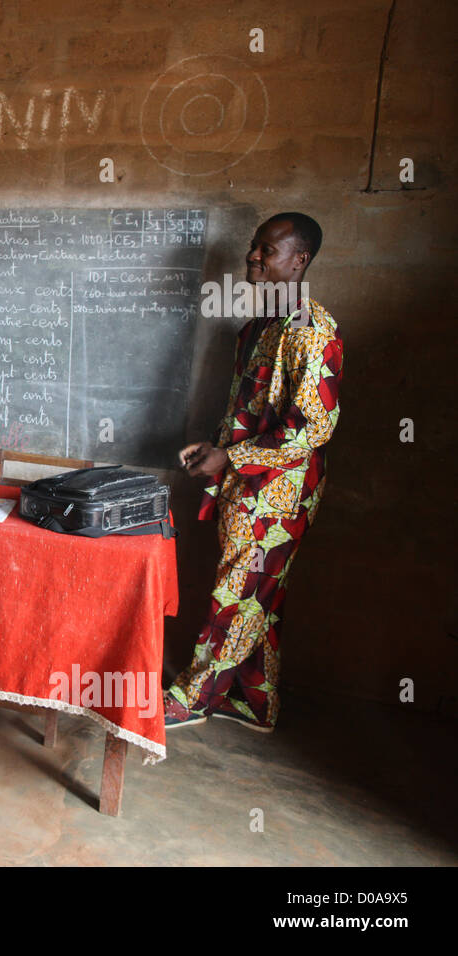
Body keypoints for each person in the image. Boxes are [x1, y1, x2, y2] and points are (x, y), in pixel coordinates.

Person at [166, 212, 344, 732]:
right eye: (254, 246)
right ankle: (255, 700)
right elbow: (254, 413)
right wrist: (216, 449)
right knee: (260, 592)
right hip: (245, 488)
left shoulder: (313, 332)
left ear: (300, 260)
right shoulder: (259, 327)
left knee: (238, 592)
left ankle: (193, 696)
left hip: (279, 496)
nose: (253, 257)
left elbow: (313, 428)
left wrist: (233, 458)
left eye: (268, 250)